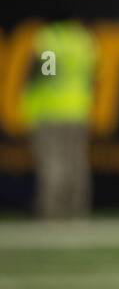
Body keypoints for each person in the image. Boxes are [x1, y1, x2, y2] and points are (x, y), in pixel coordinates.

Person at [22, 17, 98, 219]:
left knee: (53, 163)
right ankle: (77, 211)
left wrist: (29, 84)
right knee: (77, 163)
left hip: (50, 110)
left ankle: (53, 212)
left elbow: (47, 72)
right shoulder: (83, 39)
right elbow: (92, 77)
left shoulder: (51, 38)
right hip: (78, 110)